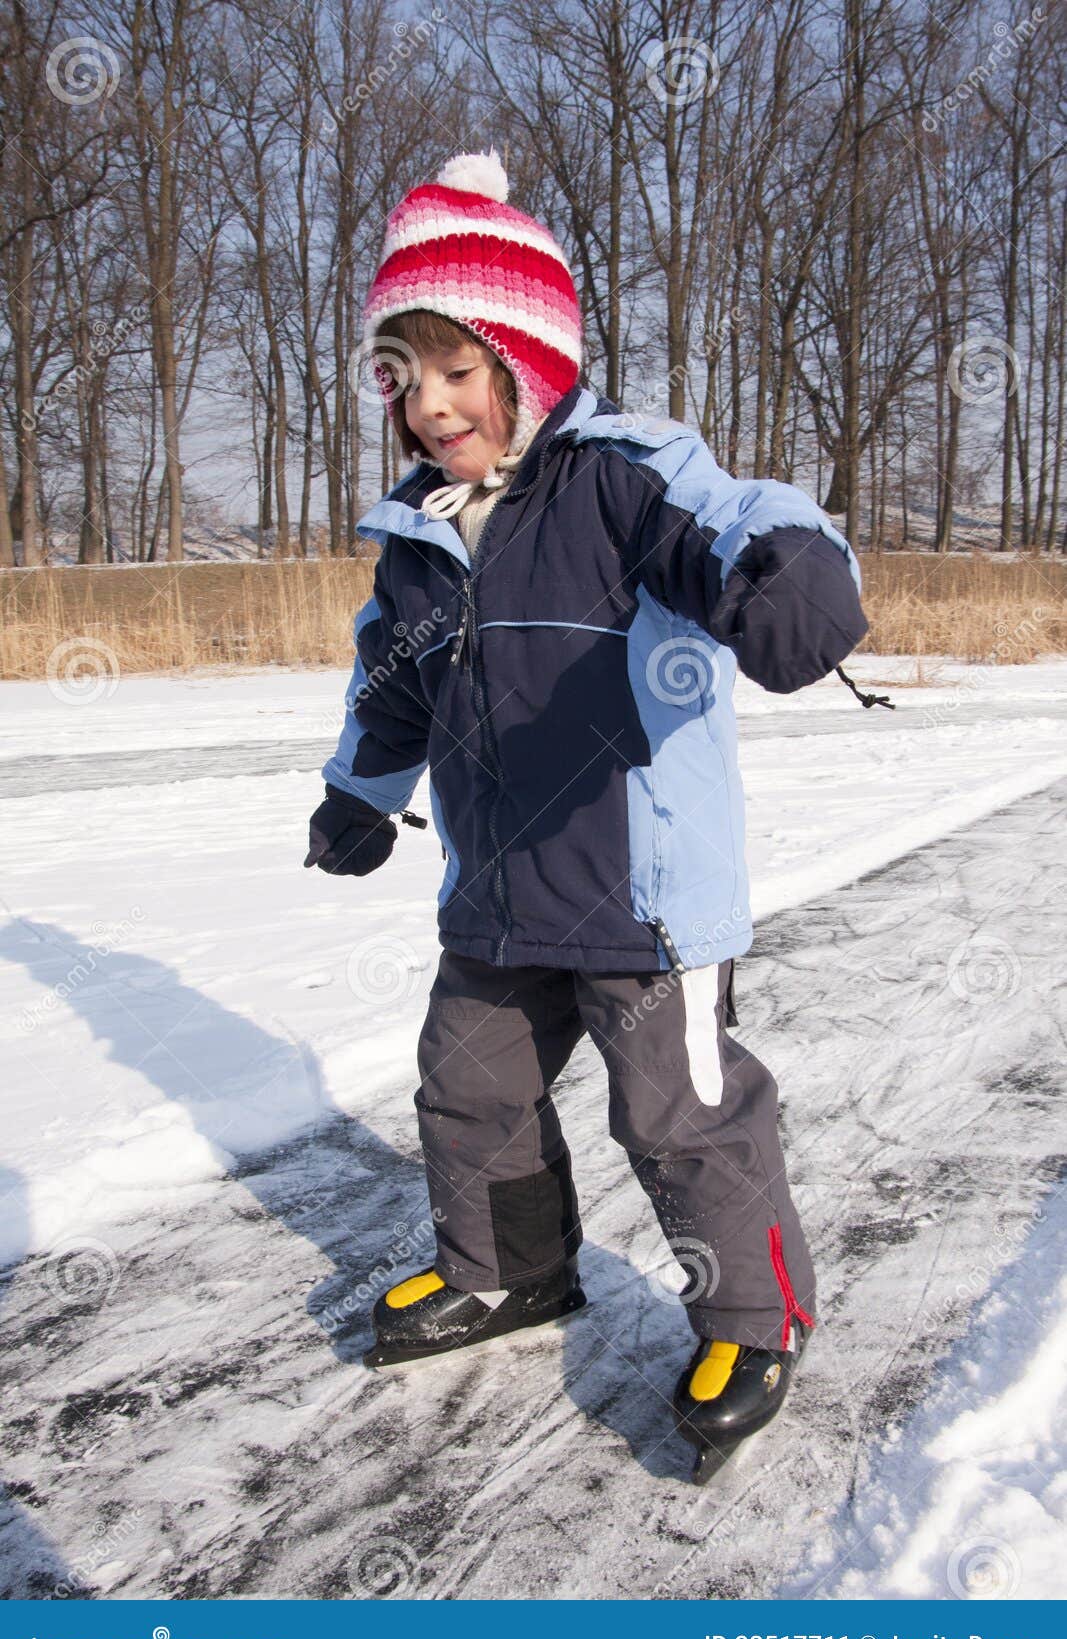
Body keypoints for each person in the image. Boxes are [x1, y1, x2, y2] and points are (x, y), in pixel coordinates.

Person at [305, 147, 871, 1482]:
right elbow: (391, 682)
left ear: (529, 360)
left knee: (682, 1114)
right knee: (468, 1086)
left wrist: (789, 571)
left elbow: (737, 517)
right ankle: (508, 1272)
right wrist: (358, 792)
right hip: (498, 890)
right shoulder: (418, 533)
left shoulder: (622, 473)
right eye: (406, 374)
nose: (434, 406)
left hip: (646, 892)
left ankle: (754, 1311)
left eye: (461, 368)